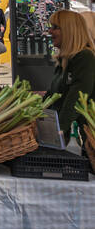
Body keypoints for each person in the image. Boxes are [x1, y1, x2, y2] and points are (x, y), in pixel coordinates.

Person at [46, 10, 95, 141]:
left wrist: (59, 129)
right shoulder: (64, 60)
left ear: (69, 30)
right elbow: (52, 95)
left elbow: (76, 97)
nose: (50, 31)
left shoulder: (85, 57)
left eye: (55, 27)